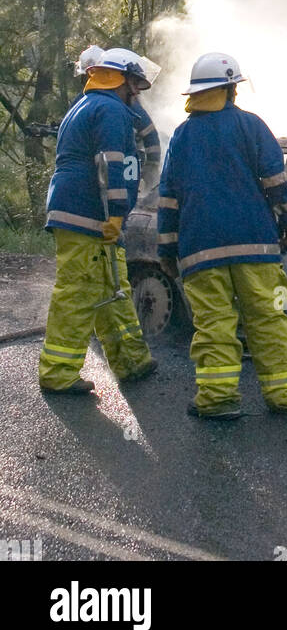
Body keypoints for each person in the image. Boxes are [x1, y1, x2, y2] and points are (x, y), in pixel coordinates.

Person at [157, 52, 287, 421]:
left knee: (214, 326)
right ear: (228, 89)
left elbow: (168, 197)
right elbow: (276, 180)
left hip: (200, 251)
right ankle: (285, 397)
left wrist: (166, 249)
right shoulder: (251, 125)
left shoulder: (182, 136)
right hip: (257, 247)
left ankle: (219, 398)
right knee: (270, 320)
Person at [39, 48, 157, 394]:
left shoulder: (90, 104)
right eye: (134, 82)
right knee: (78, 291)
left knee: (112, 286)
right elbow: (110, 165)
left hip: (86, 212)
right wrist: (118, 215)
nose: (136, 91)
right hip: (88, 214)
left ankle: (131, 360)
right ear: (119, 79)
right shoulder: (110, 110)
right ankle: (58, 373)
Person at [75, 45, 162, 197]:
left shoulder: (103, 105)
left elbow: (150, 133)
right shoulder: (107, 106)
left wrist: (151, 167)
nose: (137, 92)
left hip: (128, 164)